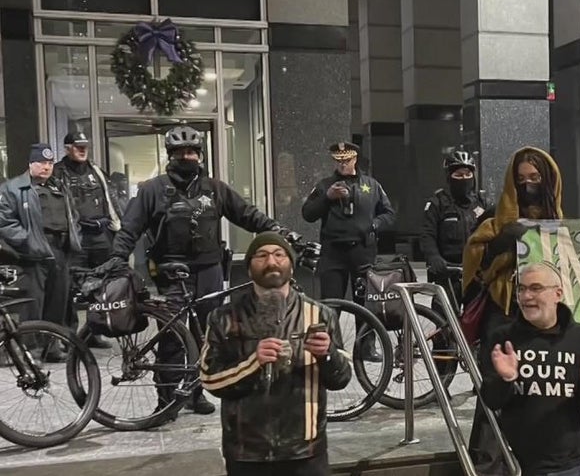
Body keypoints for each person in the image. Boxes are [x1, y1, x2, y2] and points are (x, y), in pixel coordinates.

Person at [107, 125, 286, 415]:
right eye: (180, 152)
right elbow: (130, 228)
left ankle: (195, 392)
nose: (186, 157)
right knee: (172, 338)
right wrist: (117, 257)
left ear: (200, 155)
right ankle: (166, 400)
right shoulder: (152, 189)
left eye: (191, 152)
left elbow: (246, 214)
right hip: (171, 272)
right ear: (170, 155)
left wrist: (275, 229)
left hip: (210, 271)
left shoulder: (214, 188)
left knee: (207, 336)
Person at [200, 231, 351, 476]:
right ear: (249, 269)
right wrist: (253, 363)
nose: (271, 261)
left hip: (306, 451)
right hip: (247, 452)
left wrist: (327, 355)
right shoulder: (224, 318)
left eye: (279, 254)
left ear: (291, 268)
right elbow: (209, 379)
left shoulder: (320, 315)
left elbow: (341, 379)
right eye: (261, 255)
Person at [462, 146, 565, 470]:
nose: (528, 185)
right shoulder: (496, 217)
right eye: (521, 179)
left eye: (535, 178)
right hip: (503, 314)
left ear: (548, 180)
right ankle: (486, 466)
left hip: (546, 321)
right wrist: (502, 243)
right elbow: (475, 263)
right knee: (496, 389)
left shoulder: (560, 222)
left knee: (539, 392)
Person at [481, 263, 580, 475]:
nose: (526, 296)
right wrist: (506, 378)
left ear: (557, 293)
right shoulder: (503, 338)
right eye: (521, 289)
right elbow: (491, 400)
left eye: (535, 288)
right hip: (516, 466)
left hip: (568, 466)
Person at [0, 144, 82, 360]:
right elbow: (5, 222)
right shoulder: (14, 188)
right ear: (30, 164)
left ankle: (51, 347)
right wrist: (29, 243)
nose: (46, 167)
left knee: (58, 301)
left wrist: (75, 238)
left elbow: (73, 216)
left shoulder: (59, 187)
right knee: (33, 303)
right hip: (32, 254)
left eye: (49, 163)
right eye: (41, 163)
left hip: (61, 251)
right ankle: (30, 348)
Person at [301, 142, 395, 316]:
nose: (343, 164)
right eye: (339, 161)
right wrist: (327, 198)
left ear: (355, 159)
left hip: (362, 253)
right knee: (330, 307)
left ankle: (365, 343)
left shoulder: (371, 185)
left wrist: (373, 225)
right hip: (333, 255)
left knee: (366, 308)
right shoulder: (325, 185)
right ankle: (331, 343)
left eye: (347, 160)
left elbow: (389, 214)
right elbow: (307, 214)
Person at [53, 132, 121, 347]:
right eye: (77, 146)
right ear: (67, 148)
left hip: (100, 236)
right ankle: (69, 336)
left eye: (85, 146)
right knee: (70, 288)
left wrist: (116, 227)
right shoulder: (57, 173)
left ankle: (93, 333)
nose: (82, 150)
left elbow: (112, 200)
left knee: (100, 286)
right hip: (76, 238)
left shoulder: (97, 172)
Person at [419, 150, 491, 317]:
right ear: (449, 177)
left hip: (476, 274)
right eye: (458, 175)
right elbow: (427, 235)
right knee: (443, 325)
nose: (464, 179)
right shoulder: (437, 203)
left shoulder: (483, 203)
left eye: (467, 174)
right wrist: (434, 258)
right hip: (448, 273)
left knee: (477, 323)